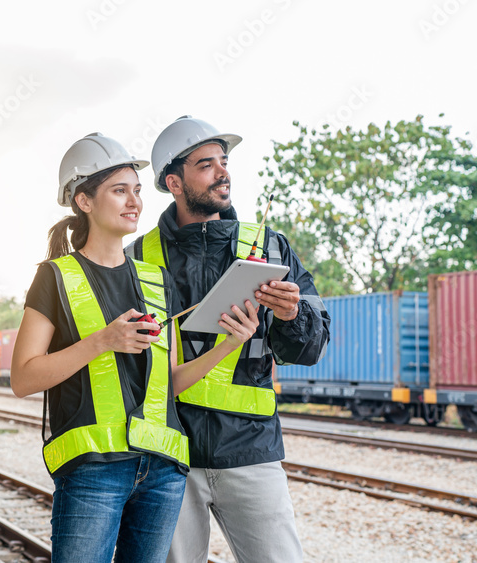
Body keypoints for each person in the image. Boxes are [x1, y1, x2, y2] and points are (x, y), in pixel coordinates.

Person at [11, 132, 260, 563]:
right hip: (92, 471)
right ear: (84, 201)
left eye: (138, 191)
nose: (135, 201)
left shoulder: (154, 279)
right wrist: (103, 341)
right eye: (119, 190)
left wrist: (229, 344)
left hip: (162, 470)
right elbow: (23, 378)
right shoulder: (55, 276)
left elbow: (172, 382)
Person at [125, 117, 331, 563]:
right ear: (174, 182)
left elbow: (310, 349)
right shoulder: (136, 259)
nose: (223, 172)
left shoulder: (269, 248)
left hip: (251, 451)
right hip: (167, 456)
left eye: (224, 161)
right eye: (206, 164)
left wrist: (291, 314)